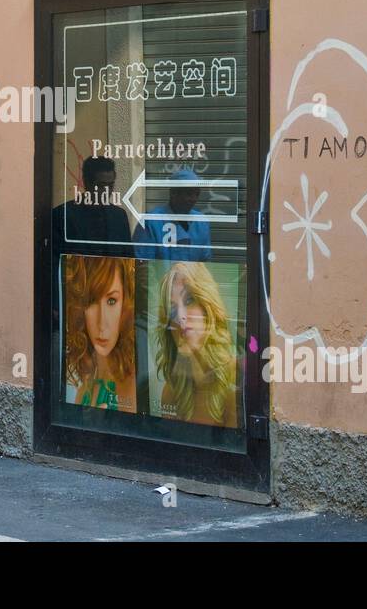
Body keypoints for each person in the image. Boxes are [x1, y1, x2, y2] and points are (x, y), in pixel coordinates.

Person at [153, 261, 238, 428]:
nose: (181, 316)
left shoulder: (236, 383)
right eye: (172, 308)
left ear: (208, 307)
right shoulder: (171, 392)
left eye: (190, 300)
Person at [63, 255, 137, 412]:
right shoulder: (84, 390)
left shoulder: (133, 385)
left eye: (111, 301)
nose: (102, 324)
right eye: (91, 301)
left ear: (125, 303)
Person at [51, 156, 132, 257]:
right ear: (86, 183)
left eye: (110, 186)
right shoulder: (62, 215)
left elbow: (128, 259)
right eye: (101, 186)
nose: (107, 191)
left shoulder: (119, 216)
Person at [133, 168, 214, 260]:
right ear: (173, 193)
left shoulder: (201, 223)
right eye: (189, 193)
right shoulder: (151, 222)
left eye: (197, 194)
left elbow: (204, 264)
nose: (193, 199)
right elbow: (143, 265)